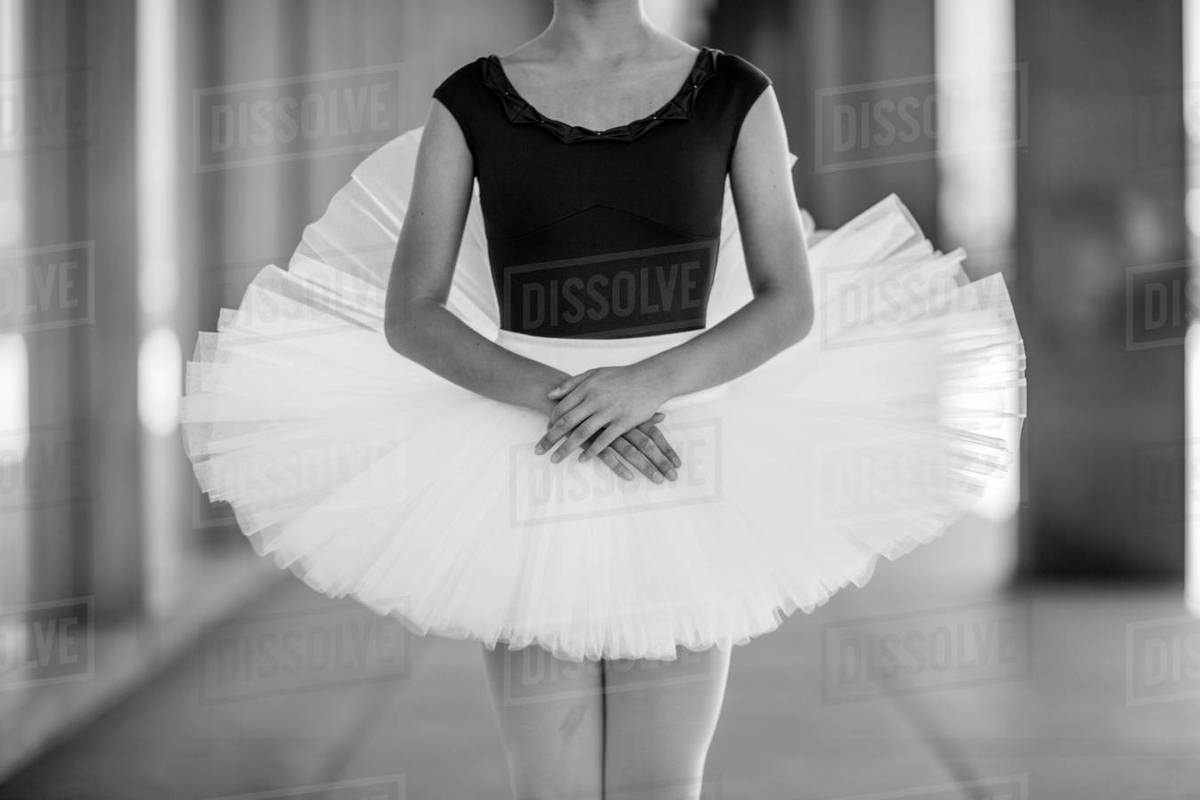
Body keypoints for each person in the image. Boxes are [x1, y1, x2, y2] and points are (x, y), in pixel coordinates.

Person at [181, 2, 1026, 798]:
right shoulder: (469, 101)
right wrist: (569, 403)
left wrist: (644, 386)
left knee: (661, 787)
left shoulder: (737, 95)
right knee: (551, 788)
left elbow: (788, 301)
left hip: (682, 449)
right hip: (524, 450)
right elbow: (411, 313)